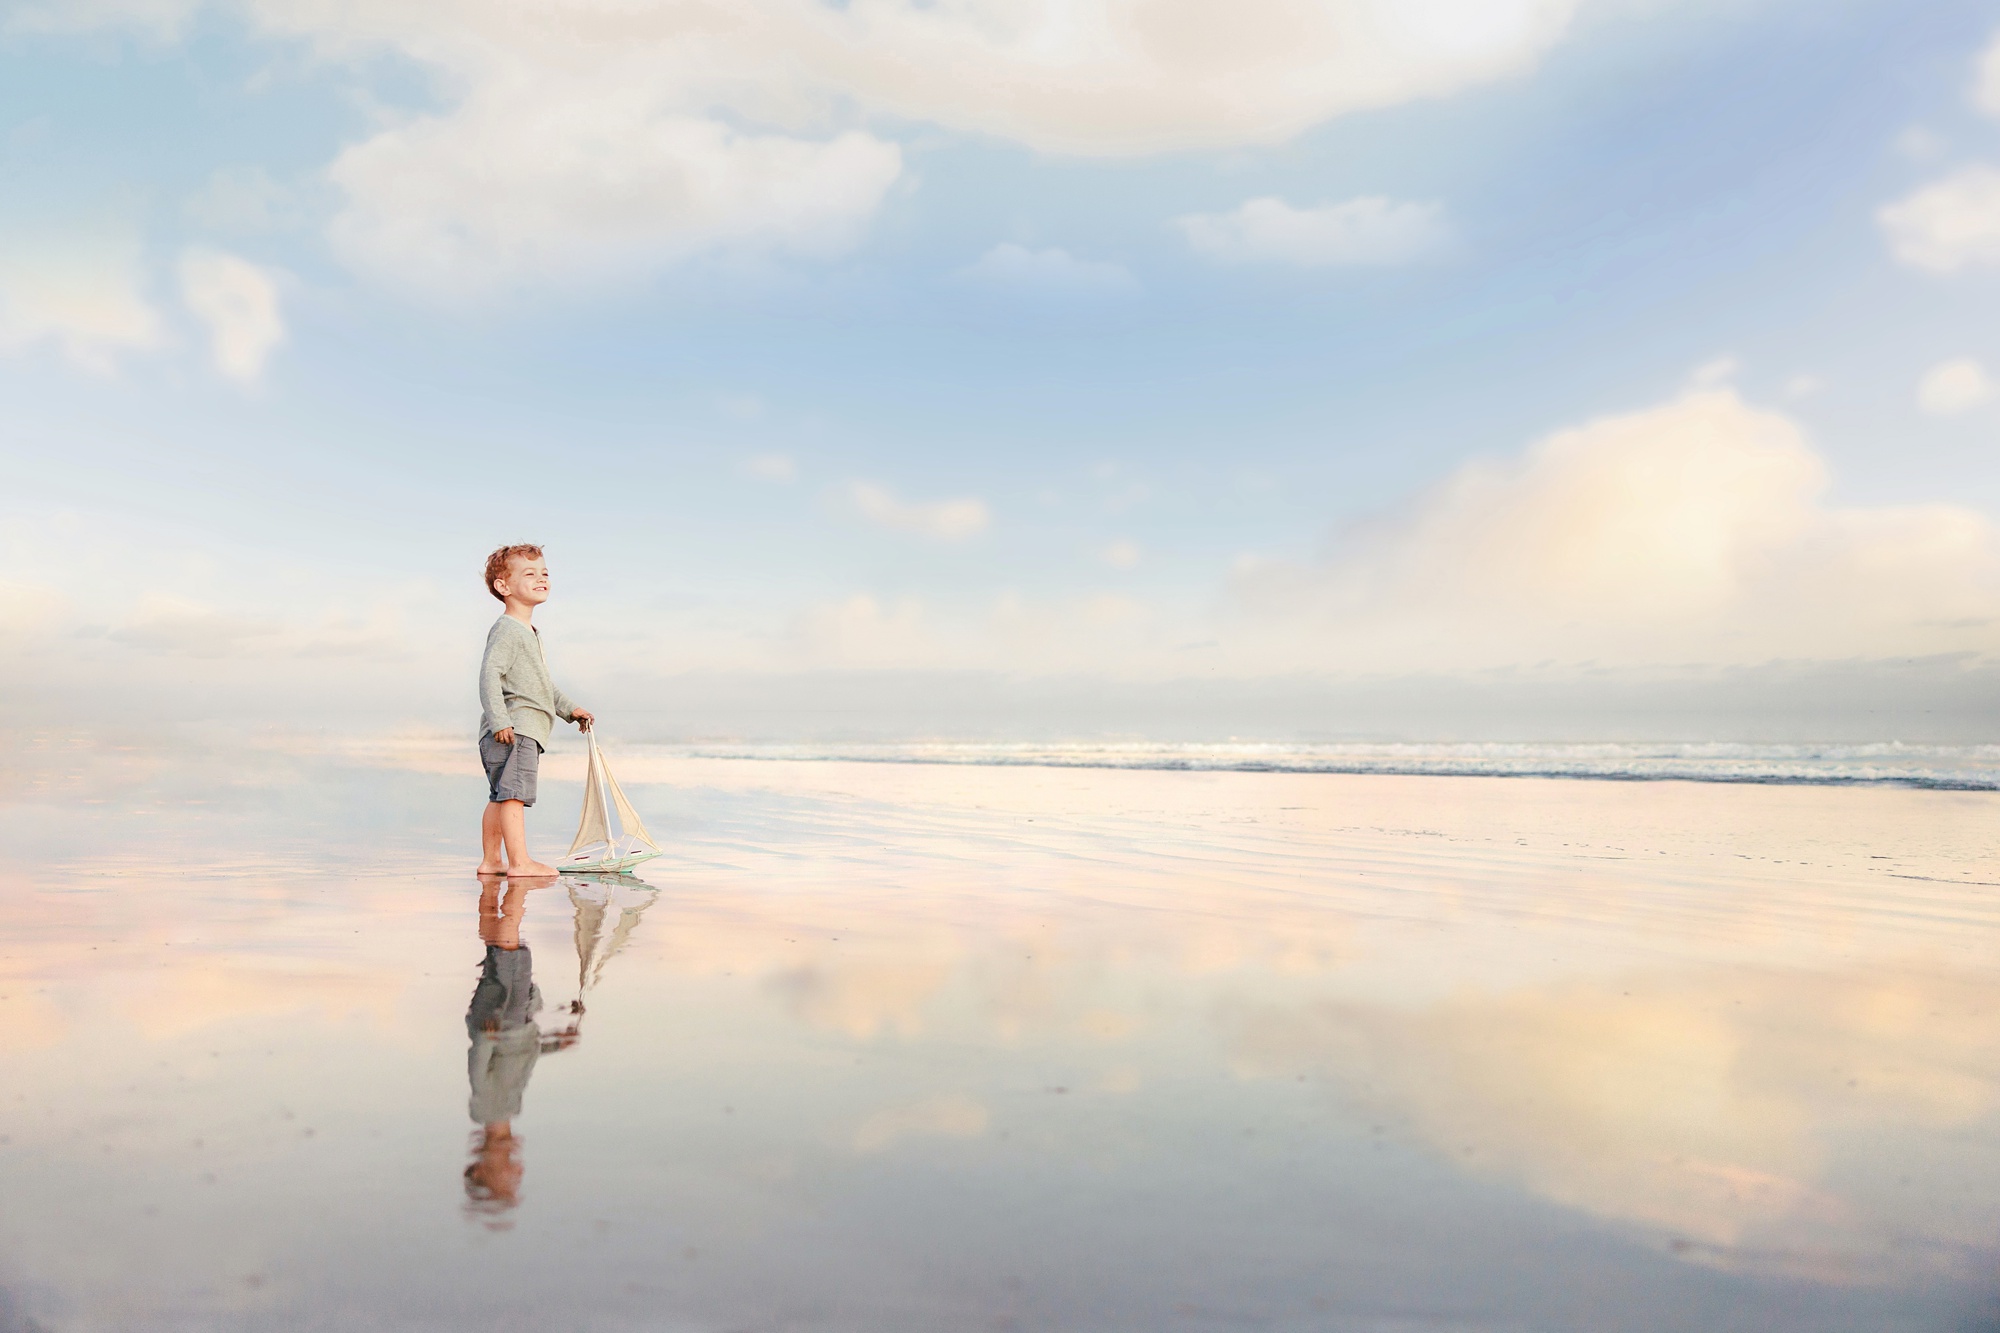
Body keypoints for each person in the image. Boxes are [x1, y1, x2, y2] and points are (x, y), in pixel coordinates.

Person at [475, 544, 594, 876]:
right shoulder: (508, 629)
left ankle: (492, 861)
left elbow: (542, 687)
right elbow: (488, 675)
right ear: (504, 586)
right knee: (514, 796)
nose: (541, 578)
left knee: (501, 796)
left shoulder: (528, 633)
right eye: (529, 573)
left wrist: (572, 711)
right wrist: (500, 719)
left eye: (544, 572)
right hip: (517, 729)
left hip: (512, 728)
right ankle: (520, 862)